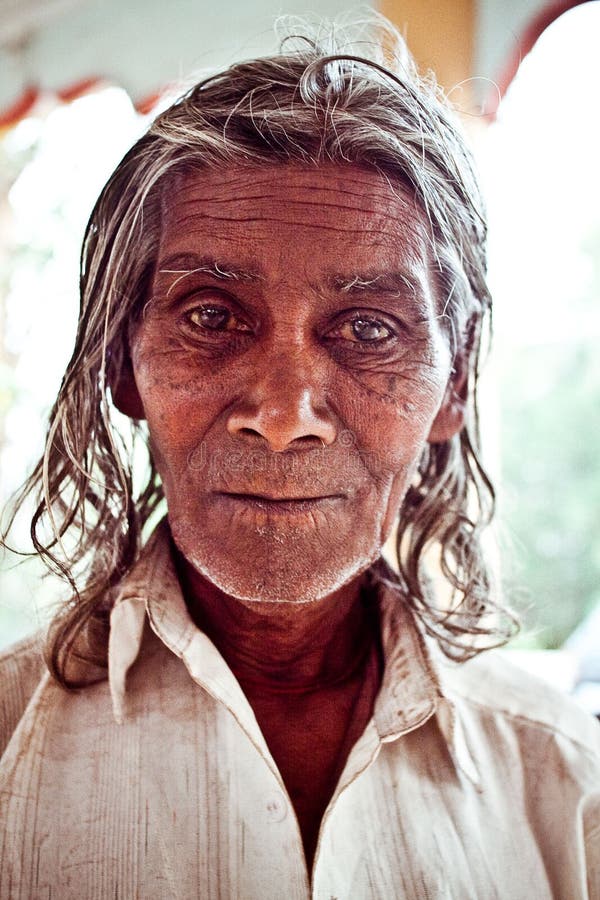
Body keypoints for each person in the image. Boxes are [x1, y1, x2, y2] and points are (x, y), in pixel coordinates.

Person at [1, 19, 599, 900]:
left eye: (368, 329)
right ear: (122, 362)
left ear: (455, 382)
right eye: (211, 316)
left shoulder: (560, 779)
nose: (282, 418)